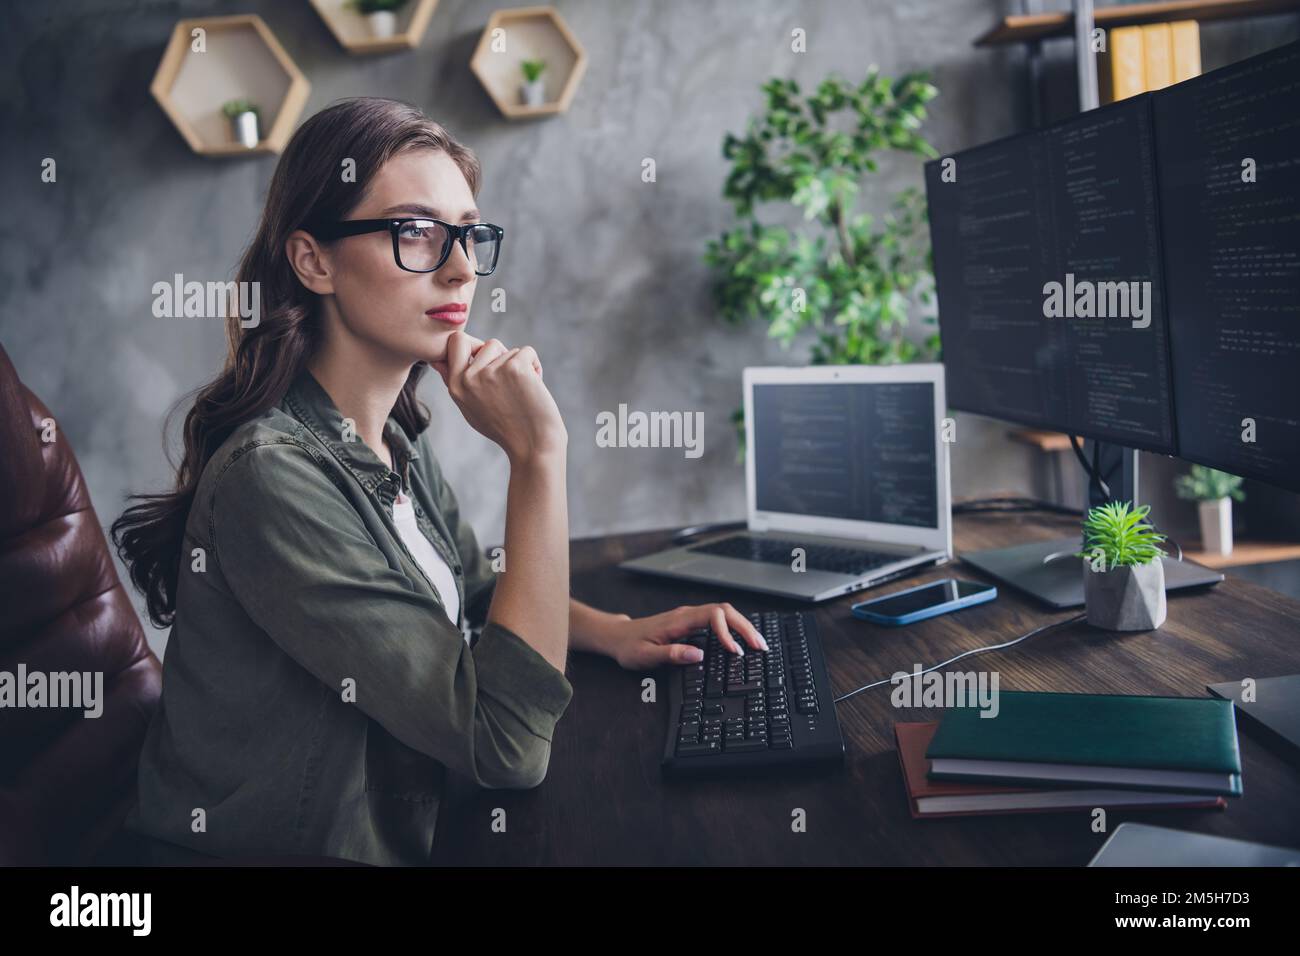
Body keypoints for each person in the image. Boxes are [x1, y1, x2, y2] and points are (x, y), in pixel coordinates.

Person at [112, 97, 765, 866]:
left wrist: (615, 634)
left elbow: (478, 590)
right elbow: (508, 747)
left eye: (468, 233)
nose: (460, 267)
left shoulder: (388, 437)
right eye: (414, 231)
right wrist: (538, 458)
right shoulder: (273, 479)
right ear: (313, 260)